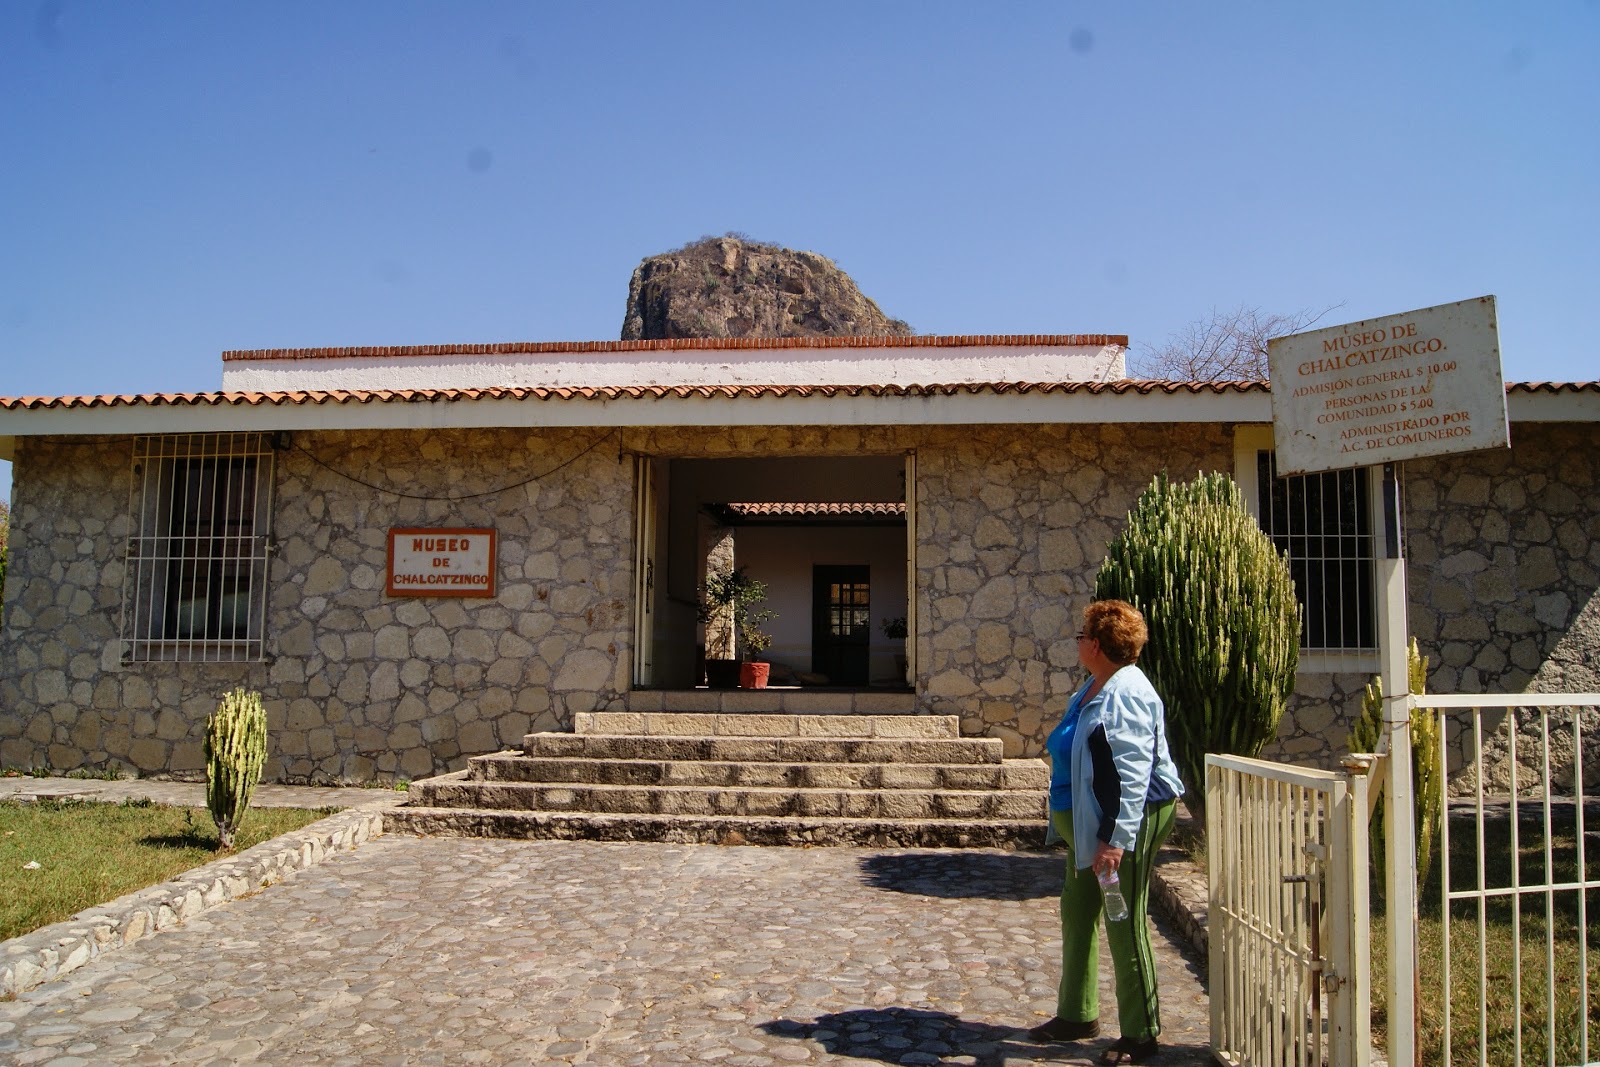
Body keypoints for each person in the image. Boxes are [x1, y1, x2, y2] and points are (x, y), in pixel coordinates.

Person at [1027, 598, 1184, 1065]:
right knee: (1077, 911)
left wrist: (1115, 840)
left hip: (1123, 824)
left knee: (1123, 919)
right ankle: (1077, 1014)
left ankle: (1141, 1033)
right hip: (1088, 825)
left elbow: (1132, 774)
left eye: (1081, 636)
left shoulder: (1127, 691)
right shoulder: (1097, 684)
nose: (1077, 642)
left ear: (1095, 644)